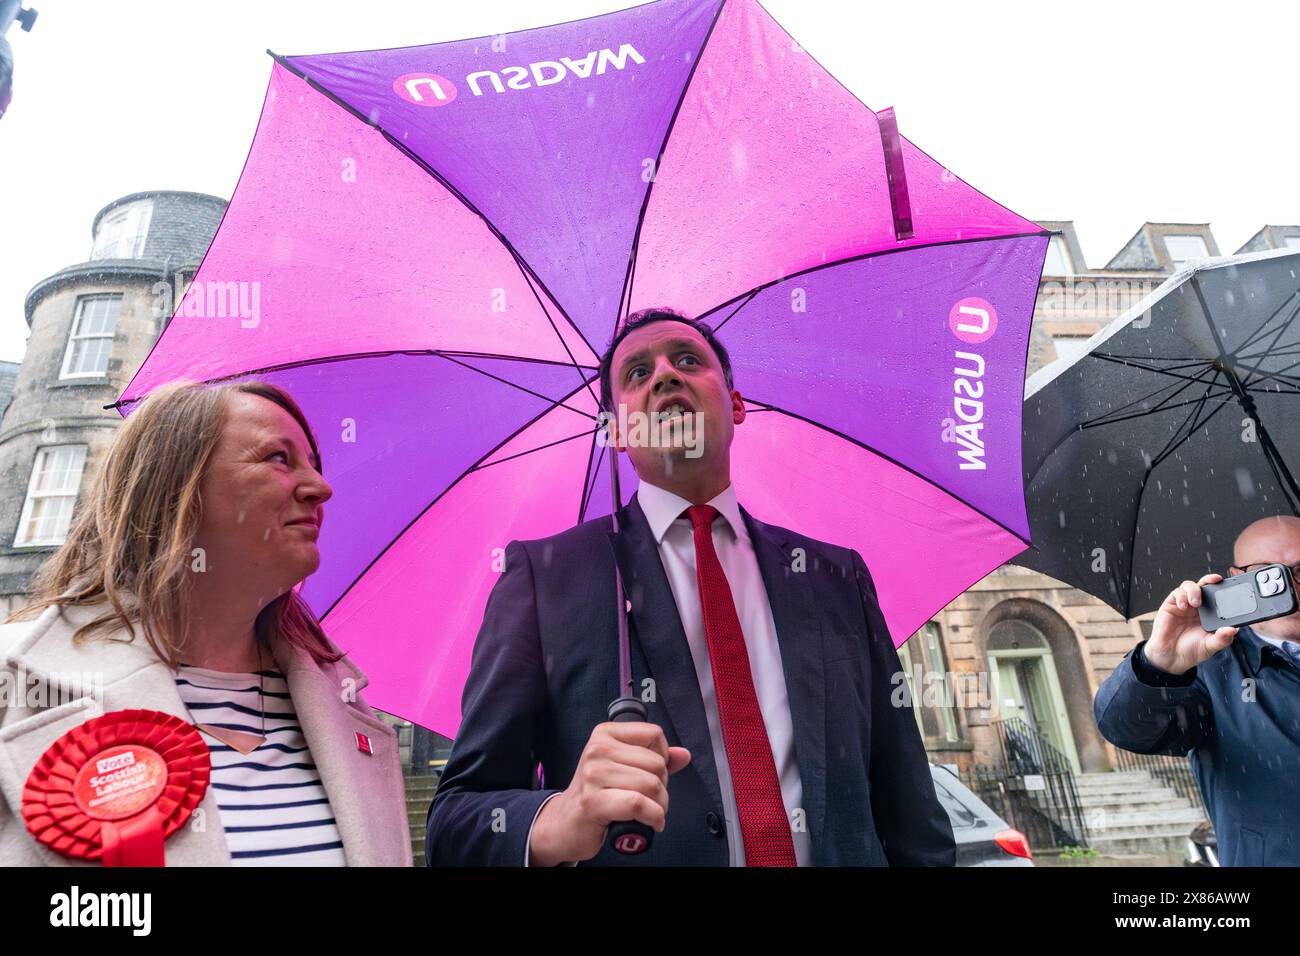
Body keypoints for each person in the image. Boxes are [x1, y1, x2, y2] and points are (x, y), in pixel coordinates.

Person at [426, 307, 955, 866]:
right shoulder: (543, 578)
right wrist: (559, 816)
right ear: (619, 435)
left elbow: (911, 816)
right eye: (636, 373)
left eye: (686, 360)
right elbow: (454, 822)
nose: (664, 376)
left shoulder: (836, 578)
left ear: (738, 404)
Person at [0, 380, 411, 866]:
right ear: (175, 484)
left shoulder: (343, 701)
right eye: (279, 459)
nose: (321, 487)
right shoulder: (18, 681)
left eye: (314, 465)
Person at [1094, 514, 1300, 866]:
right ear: (1237, 579)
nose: (1291, 586)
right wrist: (1158, 663)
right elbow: (1127, 728)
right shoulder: (1210, 668)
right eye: (1267, 574)